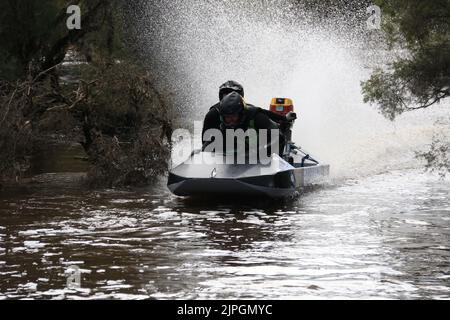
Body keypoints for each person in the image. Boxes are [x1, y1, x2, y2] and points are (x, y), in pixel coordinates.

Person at [202, 81, 289, 155]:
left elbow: (279, 137)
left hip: (260, 156)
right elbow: (207, 145)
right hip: (234, 158)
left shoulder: (255, 115)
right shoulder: (214, 116)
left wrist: (262, 153)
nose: (231, 121)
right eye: (228, 118)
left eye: (234, 116)